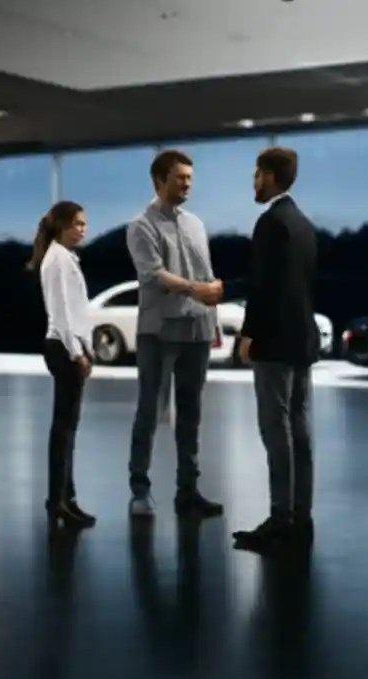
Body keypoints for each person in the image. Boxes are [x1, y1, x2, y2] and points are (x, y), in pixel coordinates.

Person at [125, 149, 225, 518]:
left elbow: (206, 271)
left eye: (189, 178)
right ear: (159, 180)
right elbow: (152, 274)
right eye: (180, 177)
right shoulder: (141, 226)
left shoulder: (196, 224)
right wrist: (196, 289)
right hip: (159, 332)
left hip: (197, 330)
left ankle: (188, 491)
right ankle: (140, 489)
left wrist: (211, 315)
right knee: (150, 410)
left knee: (191, 413)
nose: (186, 184)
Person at [233, 147, 320, 551]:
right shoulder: (304, 224)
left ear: (269, 175)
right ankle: (301, 515)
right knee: (300, 430)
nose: (253, 182)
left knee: (275, 429)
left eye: (255, 175)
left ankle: (279, 517)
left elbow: (264, 287)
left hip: (274, 343)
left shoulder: (270, 223)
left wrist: (248, 334)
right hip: (302, 340)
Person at [30, 200, 97, 529]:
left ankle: (65, 499)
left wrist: (84, 347)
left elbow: (75, 310)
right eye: (77, 223)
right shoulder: (57, 260)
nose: (83, 229)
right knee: (63, 429)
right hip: (62, 348)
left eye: (85, 224)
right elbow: (61, 314)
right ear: (61, 226)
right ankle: (57, 500)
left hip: (68, 347)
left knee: (68, 428)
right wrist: (77, 352)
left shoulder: (64, 258)